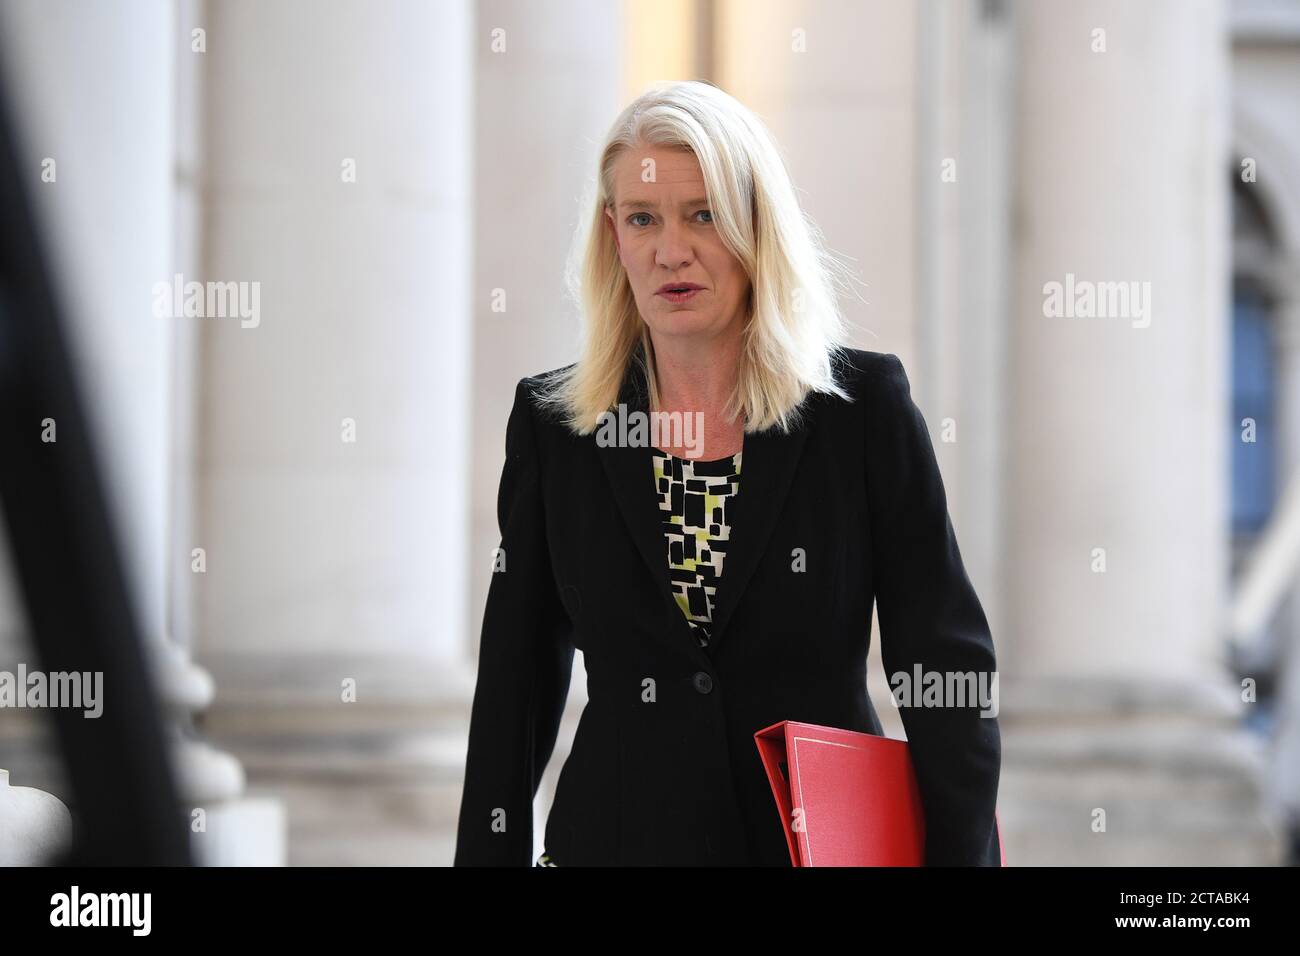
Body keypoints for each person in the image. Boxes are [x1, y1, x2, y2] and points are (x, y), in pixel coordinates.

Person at [454, 80, 1001, 866]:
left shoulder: (861, 412)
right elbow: (515, 687)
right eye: (643, 219)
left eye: (703, 214)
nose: (670, 250)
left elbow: (944, 669)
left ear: (754, 225)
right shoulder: (555, 427)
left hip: (812, 848)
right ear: (614, 234)